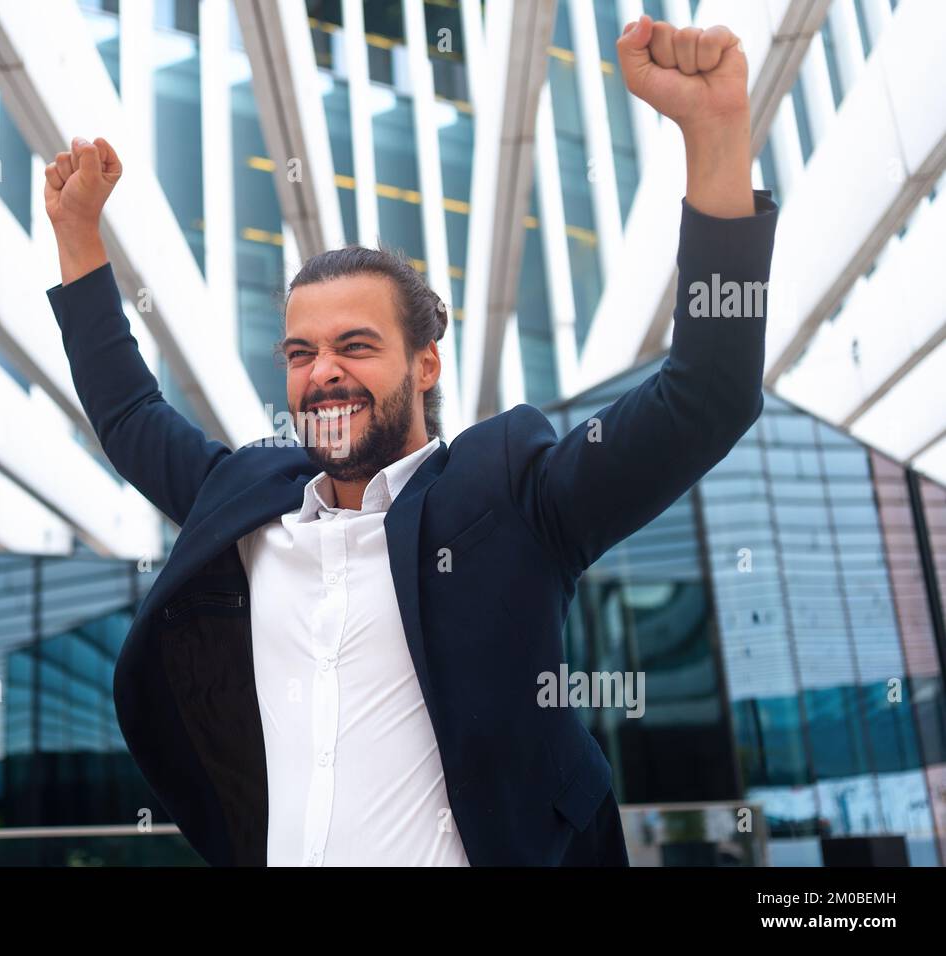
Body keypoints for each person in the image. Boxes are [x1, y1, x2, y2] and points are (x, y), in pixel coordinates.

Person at [42, 15, 778, 866]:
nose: (322, 372)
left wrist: (716, 138)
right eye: (300, 353)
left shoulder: (510, 498)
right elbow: (131, 415)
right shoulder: (245, 506)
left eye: (355, 346)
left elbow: (709, 395)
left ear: (426, 363)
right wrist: (78, 238)